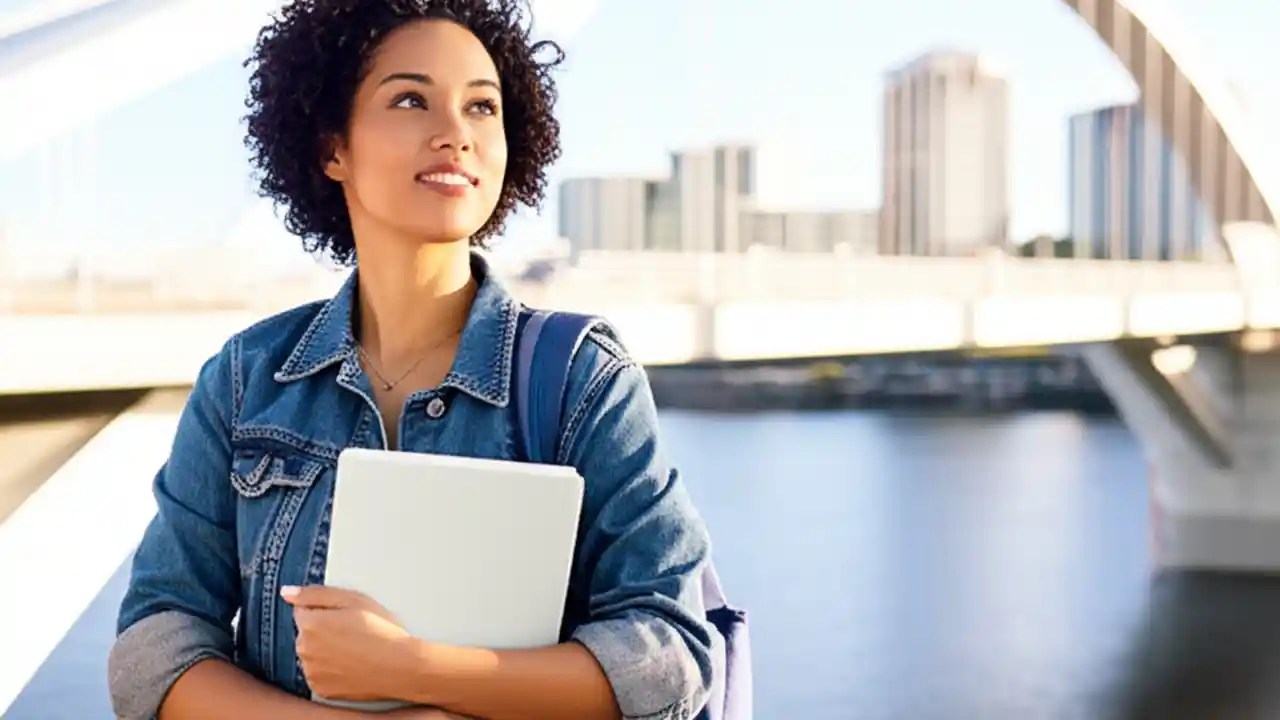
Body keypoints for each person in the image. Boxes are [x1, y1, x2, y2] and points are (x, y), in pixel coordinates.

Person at [107, 1, 720, 718]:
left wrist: (414, 668)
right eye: (410, 100)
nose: (456, 133)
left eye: (482, 107)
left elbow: (669, 656)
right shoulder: (247, 380)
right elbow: (155, 648)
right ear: (332, 148)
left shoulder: (584, 378)